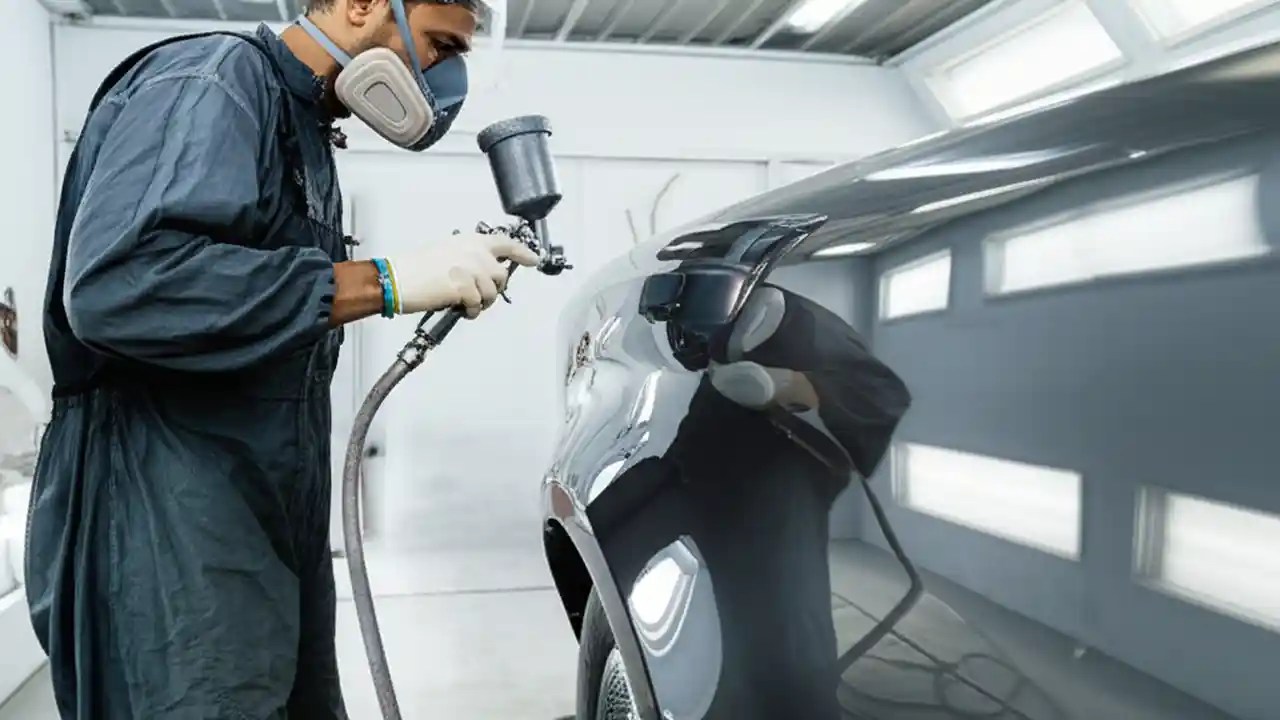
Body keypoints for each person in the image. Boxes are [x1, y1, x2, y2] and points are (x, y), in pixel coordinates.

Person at [25, 1, 534, 717]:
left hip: (260, 511)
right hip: (161, 513)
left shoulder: (306, 131)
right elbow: (121, 285)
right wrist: (383, 281)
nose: (446, 79)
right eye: (442, 46)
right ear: (361, 6)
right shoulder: (214, 82)